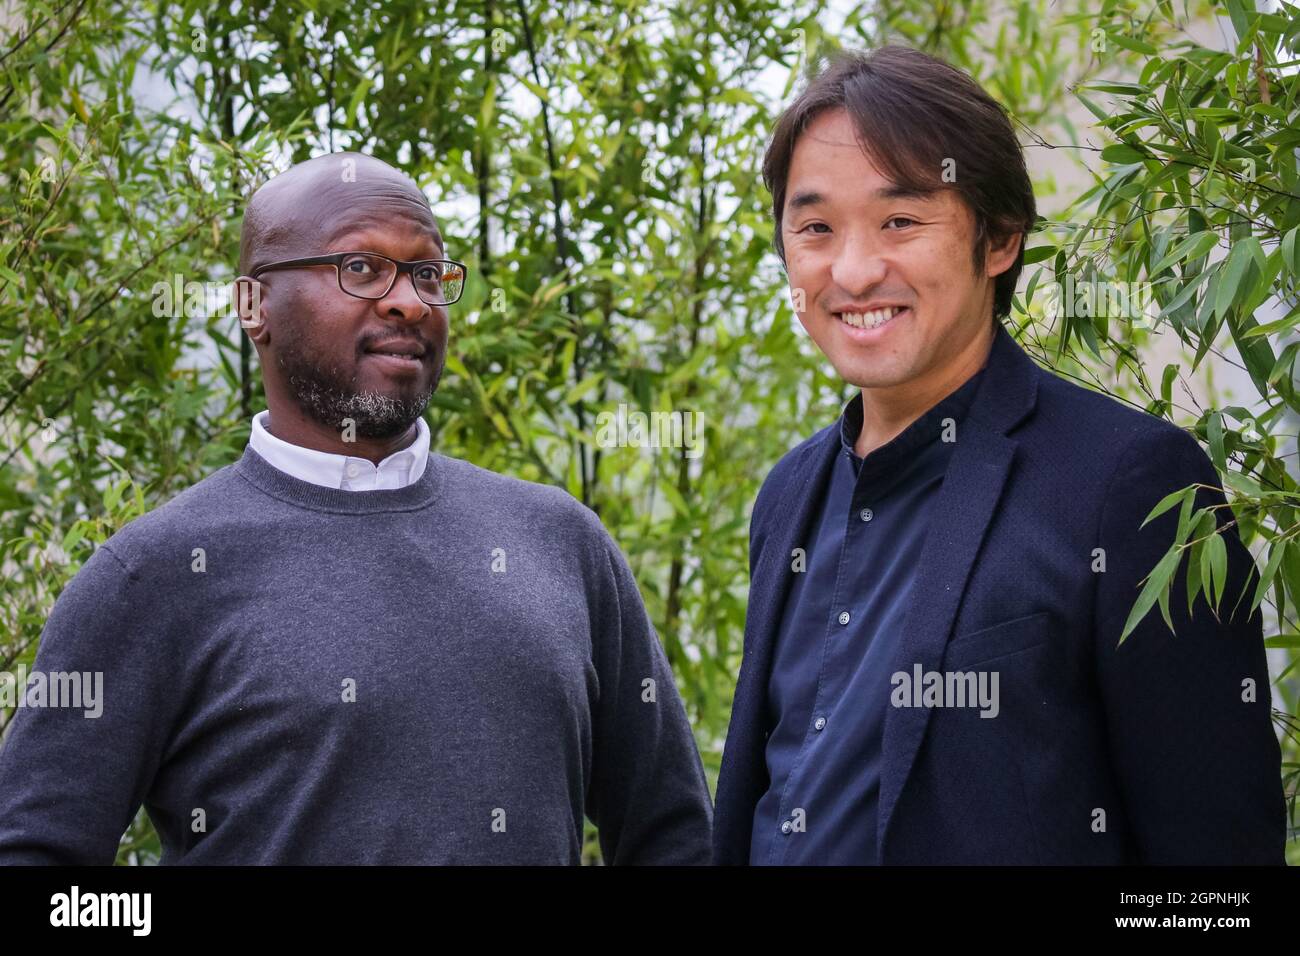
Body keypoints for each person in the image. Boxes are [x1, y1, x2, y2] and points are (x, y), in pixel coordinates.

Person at [0, 152, 711, 865]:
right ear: (254, 308)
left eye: (427, 272)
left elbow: (673, 834)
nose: (408, 300)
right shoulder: (152, 575)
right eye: (362, 268)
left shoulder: (559, 542)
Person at [713, 46, 1285, 865]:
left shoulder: (1132, 485)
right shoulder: (789, 495)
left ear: (1001, 239)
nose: (853, 270)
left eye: (901, 221)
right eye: (814, 228)